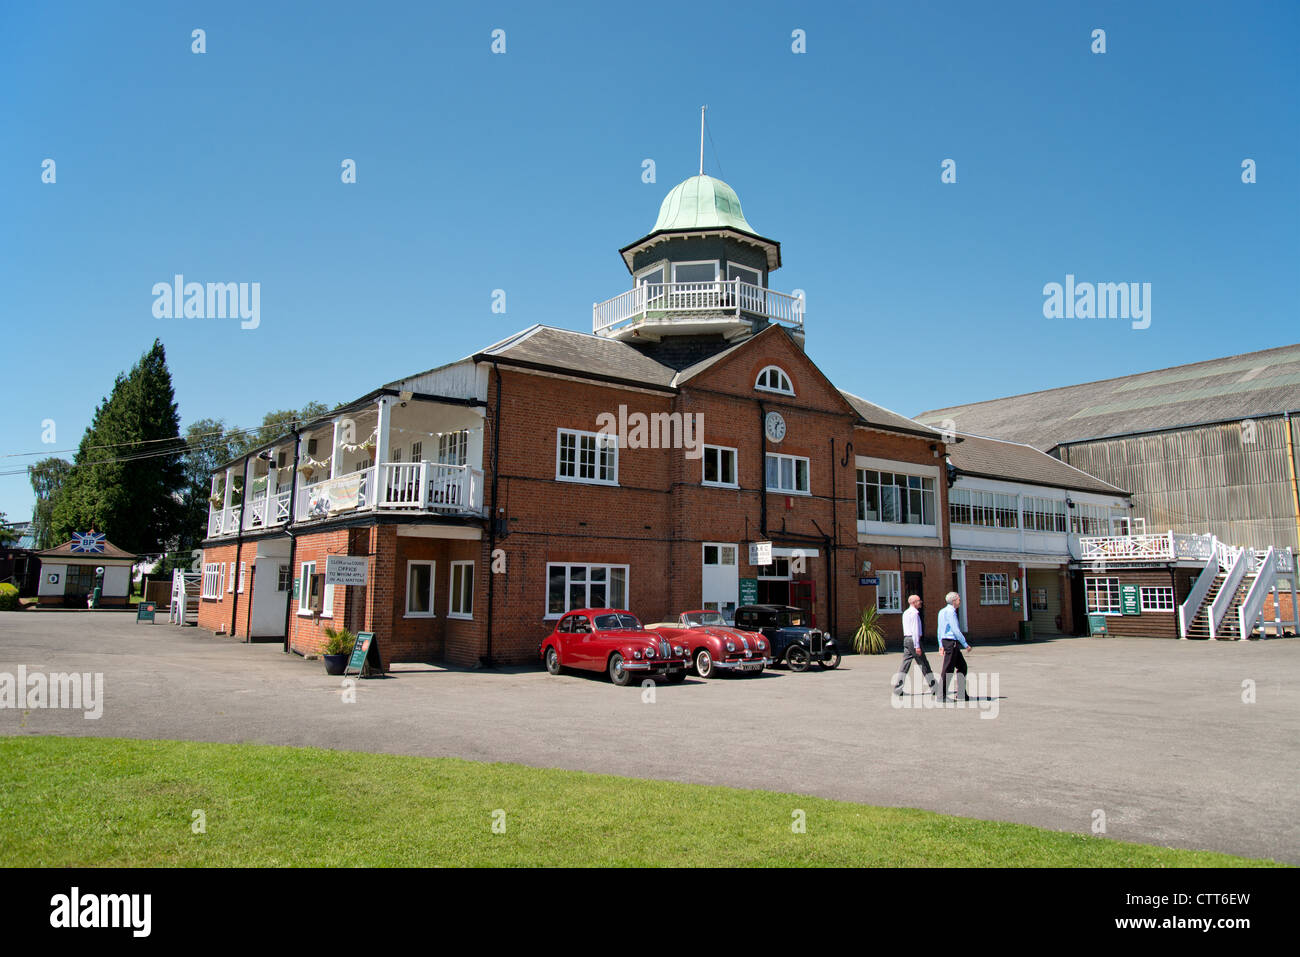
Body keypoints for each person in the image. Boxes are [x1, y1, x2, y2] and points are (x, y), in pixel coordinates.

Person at [893, 594, 937, 697]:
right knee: (924, 664)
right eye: (918, 601)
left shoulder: (906, 613)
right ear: (913, 602)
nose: (920, 602)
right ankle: (934, 688)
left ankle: (898, 689)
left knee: (905, 665)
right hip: (913, 640)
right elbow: (915, 630)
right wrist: (917, 646)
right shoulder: (914, 614)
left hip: (907, 639)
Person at [937, 591, 972, 701]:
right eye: (958, 599)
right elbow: (955, 630)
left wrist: (940, 643)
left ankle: (961, 693)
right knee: (948, 669)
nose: (960, 601)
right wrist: (965, 644)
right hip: (951, 642)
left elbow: (939, 629)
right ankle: (941, 695)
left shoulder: (942, 611)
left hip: (947, 641)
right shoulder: (951, 612)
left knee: (962, 666)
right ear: (954, 601)